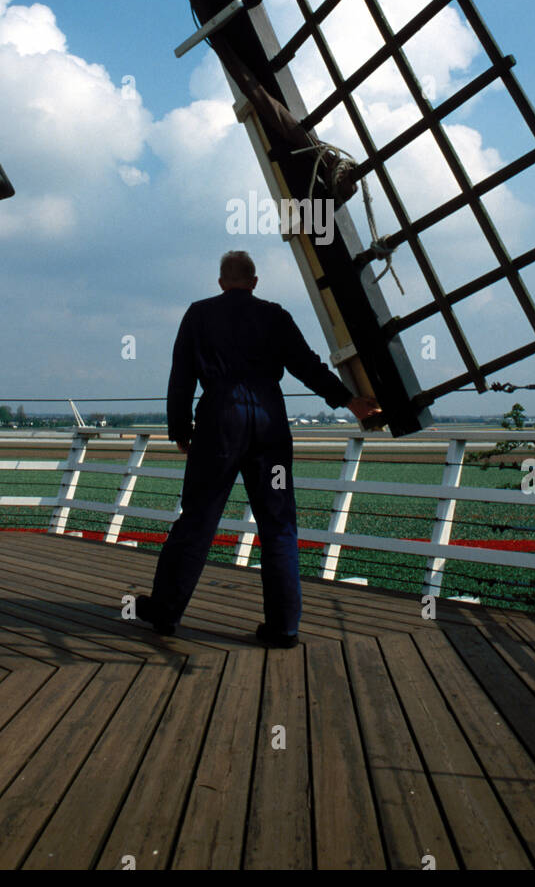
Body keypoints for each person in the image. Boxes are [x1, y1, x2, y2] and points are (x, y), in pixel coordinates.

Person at [134, 250, 381, 647]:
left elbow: (181, 375)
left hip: (219, 420)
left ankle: (165, 611)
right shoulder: (275, 315)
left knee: (198, 517)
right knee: (278, 522)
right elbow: (307, 364)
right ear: (254, 282)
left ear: (220, 282)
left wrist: (179, 426)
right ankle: (283, 627)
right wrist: (349, 401)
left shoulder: (198, 314)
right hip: (269, 420)